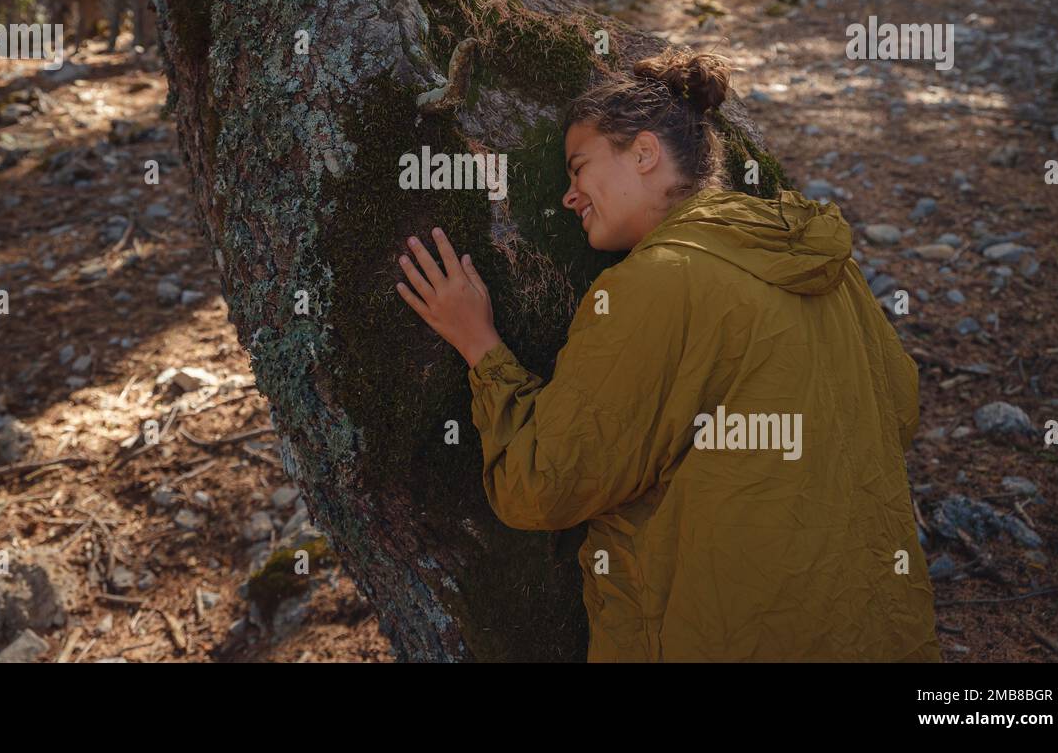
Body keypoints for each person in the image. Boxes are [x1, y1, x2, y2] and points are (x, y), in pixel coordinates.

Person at [394, 47, 942, 662]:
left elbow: (542, 486)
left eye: (579, 168)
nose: (571, 196)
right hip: (882, 630)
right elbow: (900, 406)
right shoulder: (817, 259)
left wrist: (478, 344)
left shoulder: (653, 285)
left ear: (646, 152)